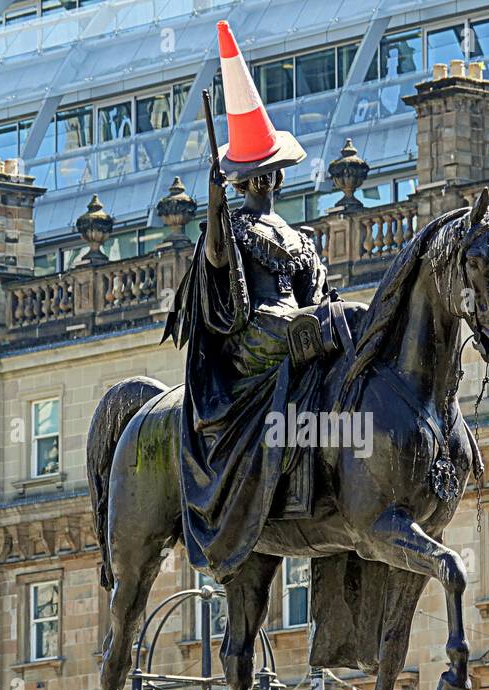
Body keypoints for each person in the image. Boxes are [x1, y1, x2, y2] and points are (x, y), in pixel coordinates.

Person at [164, 20, 355, 583]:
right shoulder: (231, 230)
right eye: (255, 176)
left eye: (270, 173)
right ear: (243, 181)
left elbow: (318, 292)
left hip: (296, 326)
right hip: (254, 340)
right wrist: (215, 205)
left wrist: (331, 314)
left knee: (341, 324)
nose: (265, 182)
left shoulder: (300, 237)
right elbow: (221, 278)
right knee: (303, 328)